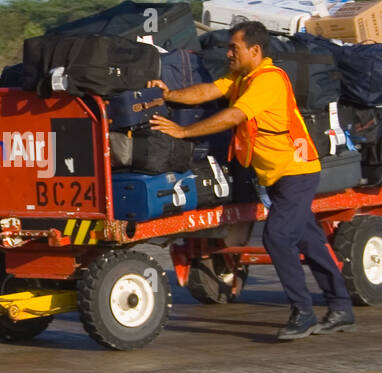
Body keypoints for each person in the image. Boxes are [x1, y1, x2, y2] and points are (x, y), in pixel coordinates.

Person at [149, 21, 355, 340]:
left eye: (234, 48)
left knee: (278, 237)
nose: (228, 53)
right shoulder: (242, 77)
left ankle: (302, 313)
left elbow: (234, 116)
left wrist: (184, 132)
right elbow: (211, 90)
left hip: (296, 172)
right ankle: (341, 307)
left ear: (255, 51)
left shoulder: (268, 80)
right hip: (278, 174)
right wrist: (171, 94)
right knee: (308, 239)